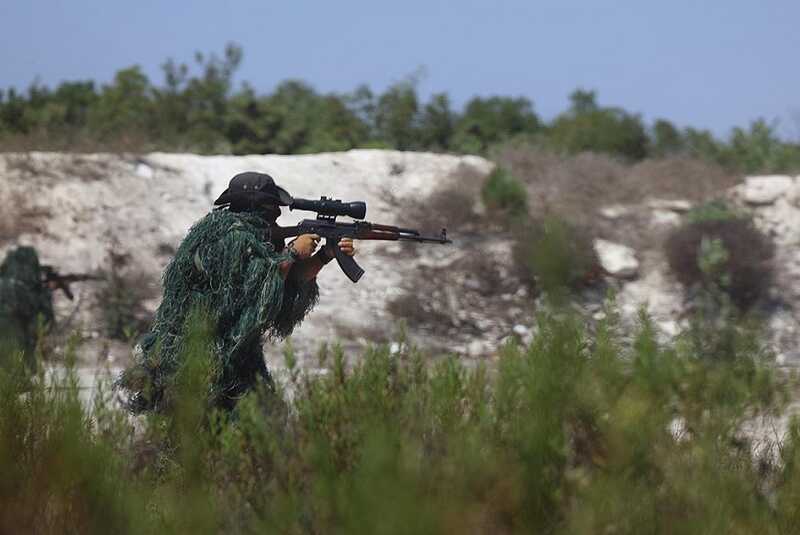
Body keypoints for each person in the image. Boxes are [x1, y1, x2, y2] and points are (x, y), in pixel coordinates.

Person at [118, 172, 356, 412]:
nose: (277, 213)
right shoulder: (228, 237)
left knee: (260, 429)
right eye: (271, 206)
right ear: (254, 205)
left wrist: (325, 256)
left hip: (233, 357)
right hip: (198, 357)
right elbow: (256, 294)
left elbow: (286, 282)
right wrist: (292, 253)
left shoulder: (255, 238)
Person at [0, 246, 55, 370]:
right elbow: (43, 324)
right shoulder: (22, 291)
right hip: (14, 365)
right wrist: (47, 294)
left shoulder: (9, 285)